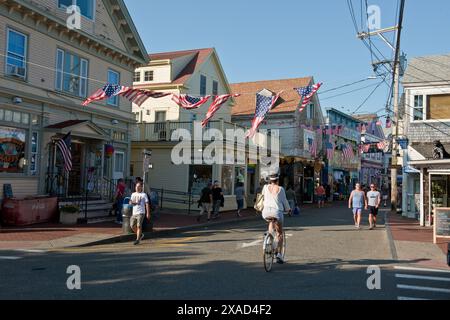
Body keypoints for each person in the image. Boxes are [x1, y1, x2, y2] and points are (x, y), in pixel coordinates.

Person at [261, 174, 291, 264]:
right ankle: (279, 254)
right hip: (277, 212)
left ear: (270, 180)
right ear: (277, 180)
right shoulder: (280, 189)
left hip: (265, 212)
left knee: (271, 222)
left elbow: (262, 197)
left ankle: (269, 240)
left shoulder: (265, 187)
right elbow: (284, 201)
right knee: (279, 233)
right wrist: (288, 209)